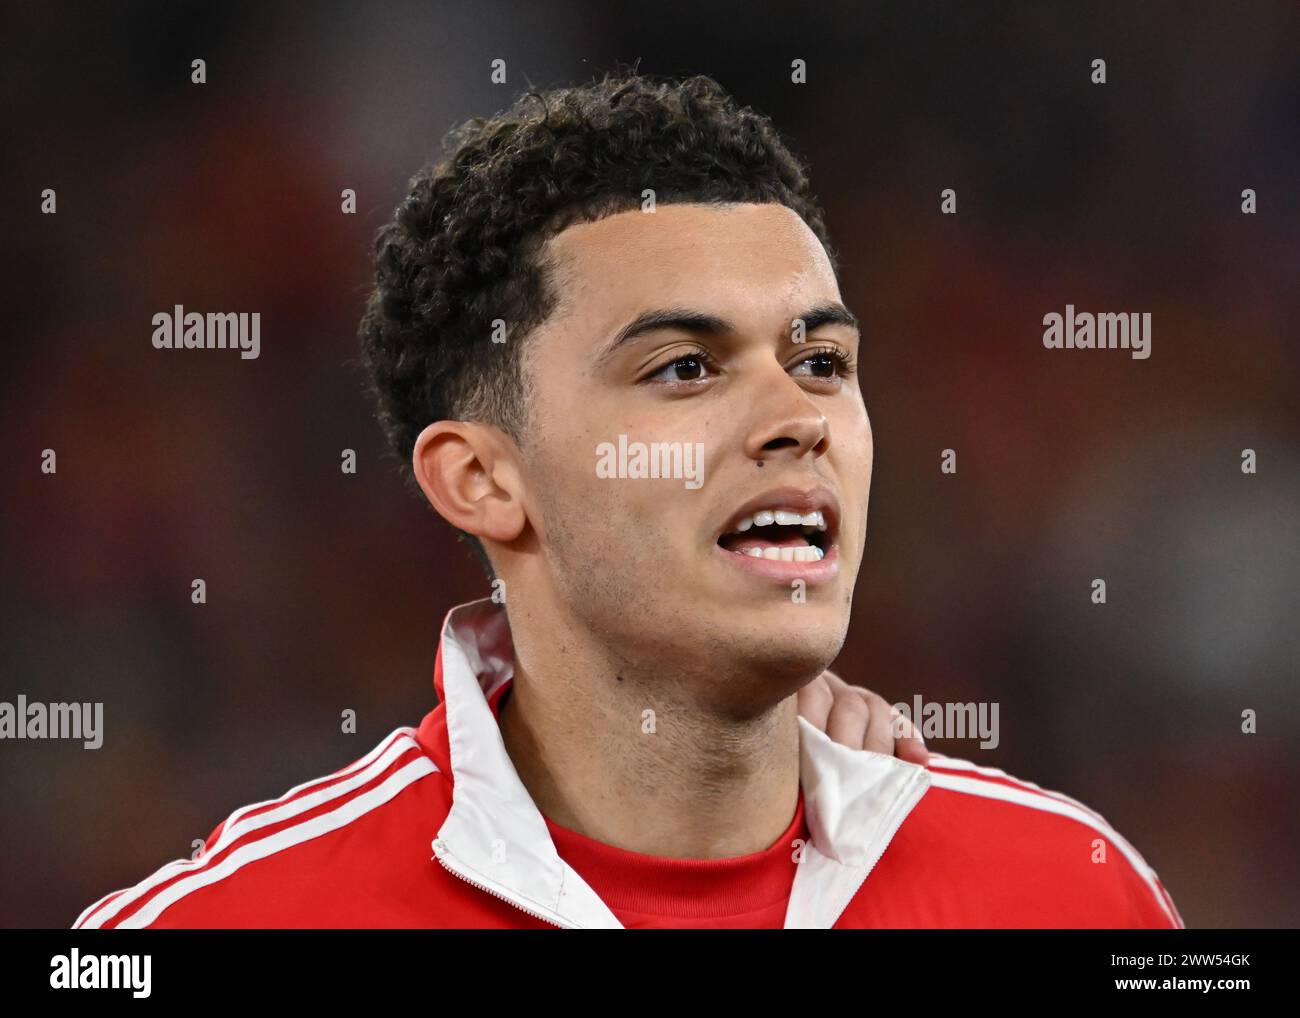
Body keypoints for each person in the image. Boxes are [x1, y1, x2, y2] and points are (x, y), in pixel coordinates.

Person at [75, 72, 1180, 929]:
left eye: (822, 362)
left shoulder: (1072, 890)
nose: (795, 414)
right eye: (684, 369)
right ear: (482, 479)